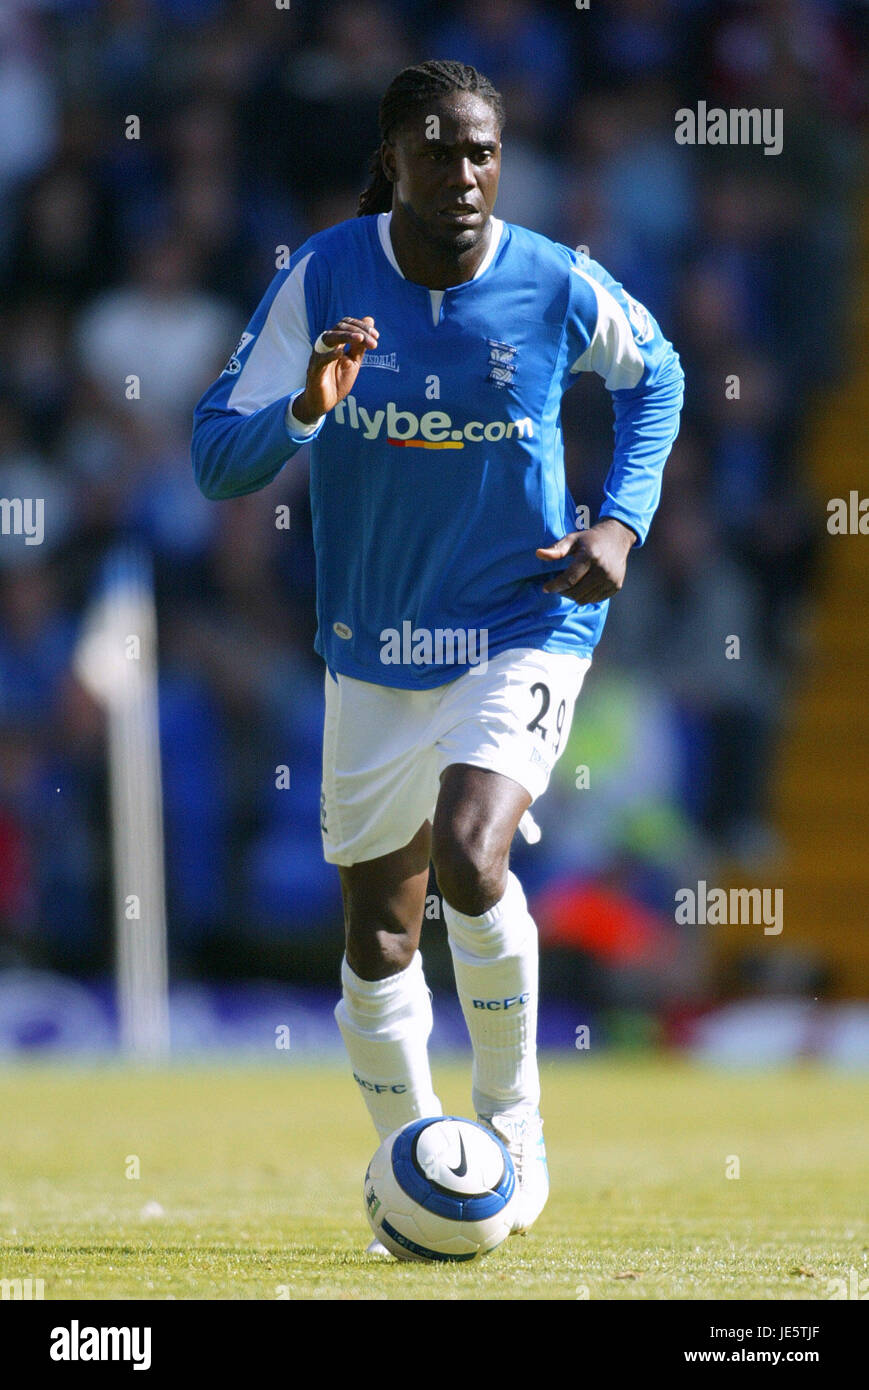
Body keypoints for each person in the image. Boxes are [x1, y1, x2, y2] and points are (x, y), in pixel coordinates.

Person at [191, 59, 684, 1250]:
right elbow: (217, 457)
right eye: (437, 150)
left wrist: (617, 521)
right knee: (378, 935)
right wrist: (308, 406)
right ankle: (417, 1169)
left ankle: (512, 1128)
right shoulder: (323, 276)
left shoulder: (553, 279)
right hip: (372, 644)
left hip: (524, 618)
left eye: (481, 152)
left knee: (473, 848)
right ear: (392, 160)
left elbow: (656, 374)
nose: (464, 175)